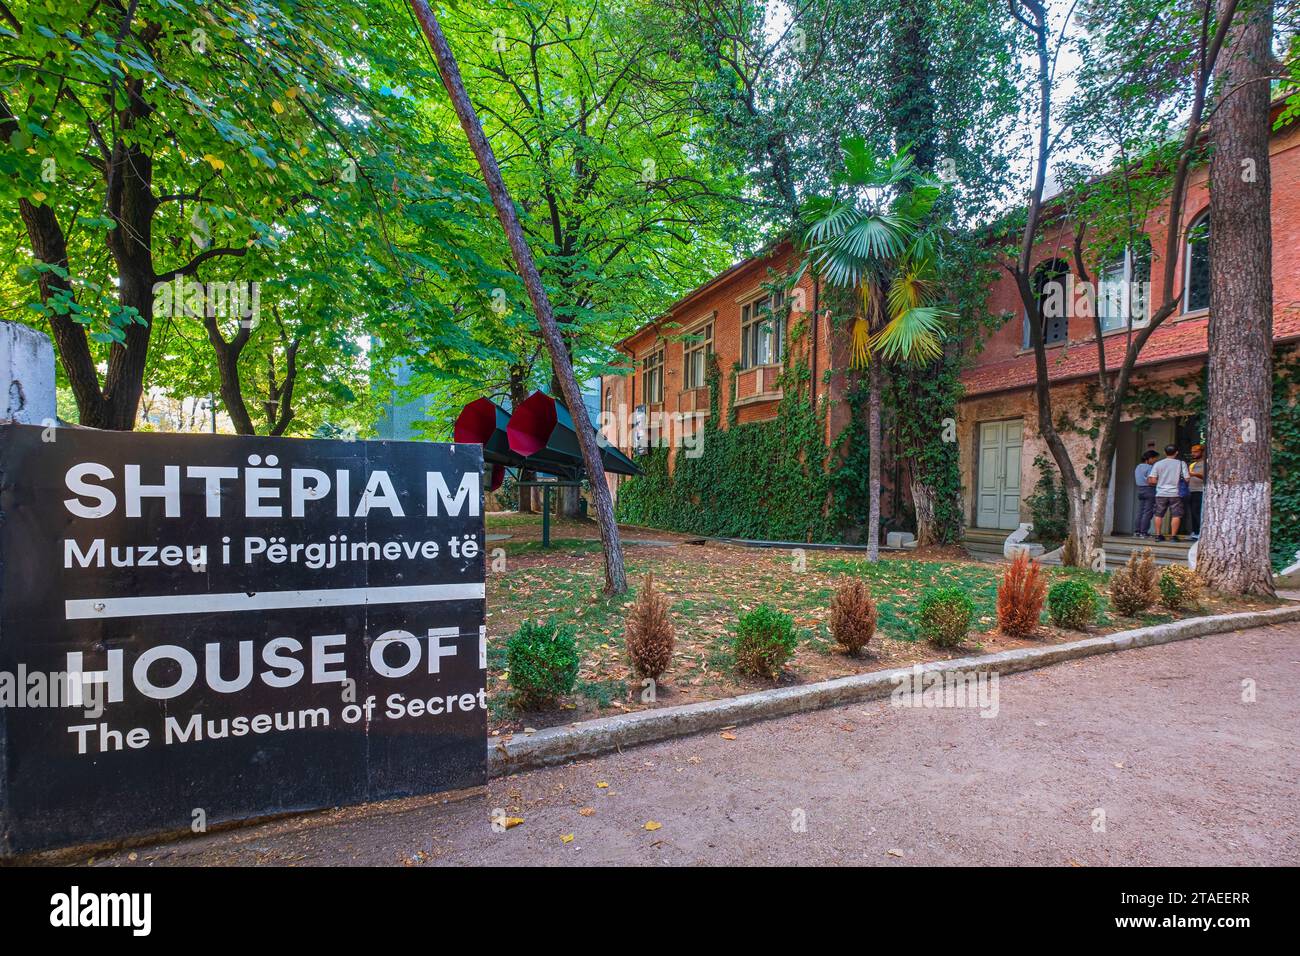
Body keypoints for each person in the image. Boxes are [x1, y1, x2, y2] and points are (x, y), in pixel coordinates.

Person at [1148, 444, 1189, 542]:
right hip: (1176, 493)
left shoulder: (1158, 464)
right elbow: (1187, 479)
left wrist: (1162, 482)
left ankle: (1158, 535)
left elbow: (1152, 480)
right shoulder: (1181, 463)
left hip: (1161, 493)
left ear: (1165, 452)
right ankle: (1173, 536)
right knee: (1176, 515)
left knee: (1158, 514)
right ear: (1177, 452)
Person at [1133, 449, 1159, 538]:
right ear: (1150, 458)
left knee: (1140, 511)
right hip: (1149, 490)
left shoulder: (1138, 467)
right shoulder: (1150, 468)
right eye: (1155, 458)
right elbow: (1150, 481)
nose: (1155, 461)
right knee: (1148, 512)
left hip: (1140, 490)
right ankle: (1144, 532)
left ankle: (1137, 531)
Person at [1188, 443, 1205, 539]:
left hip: (1200, 490)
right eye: (1192, 452)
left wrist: (1193, 474)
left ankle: (1200, 533)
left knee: (1198, 512)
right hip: (1192, 490)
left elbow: (1205, 476)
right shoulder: (1193, 464)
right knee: (1193, 512)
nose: (1193, 454)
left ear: (1202, 452)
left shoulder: (1206, 463)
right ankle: (1195, 532)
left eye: (1196, 452)